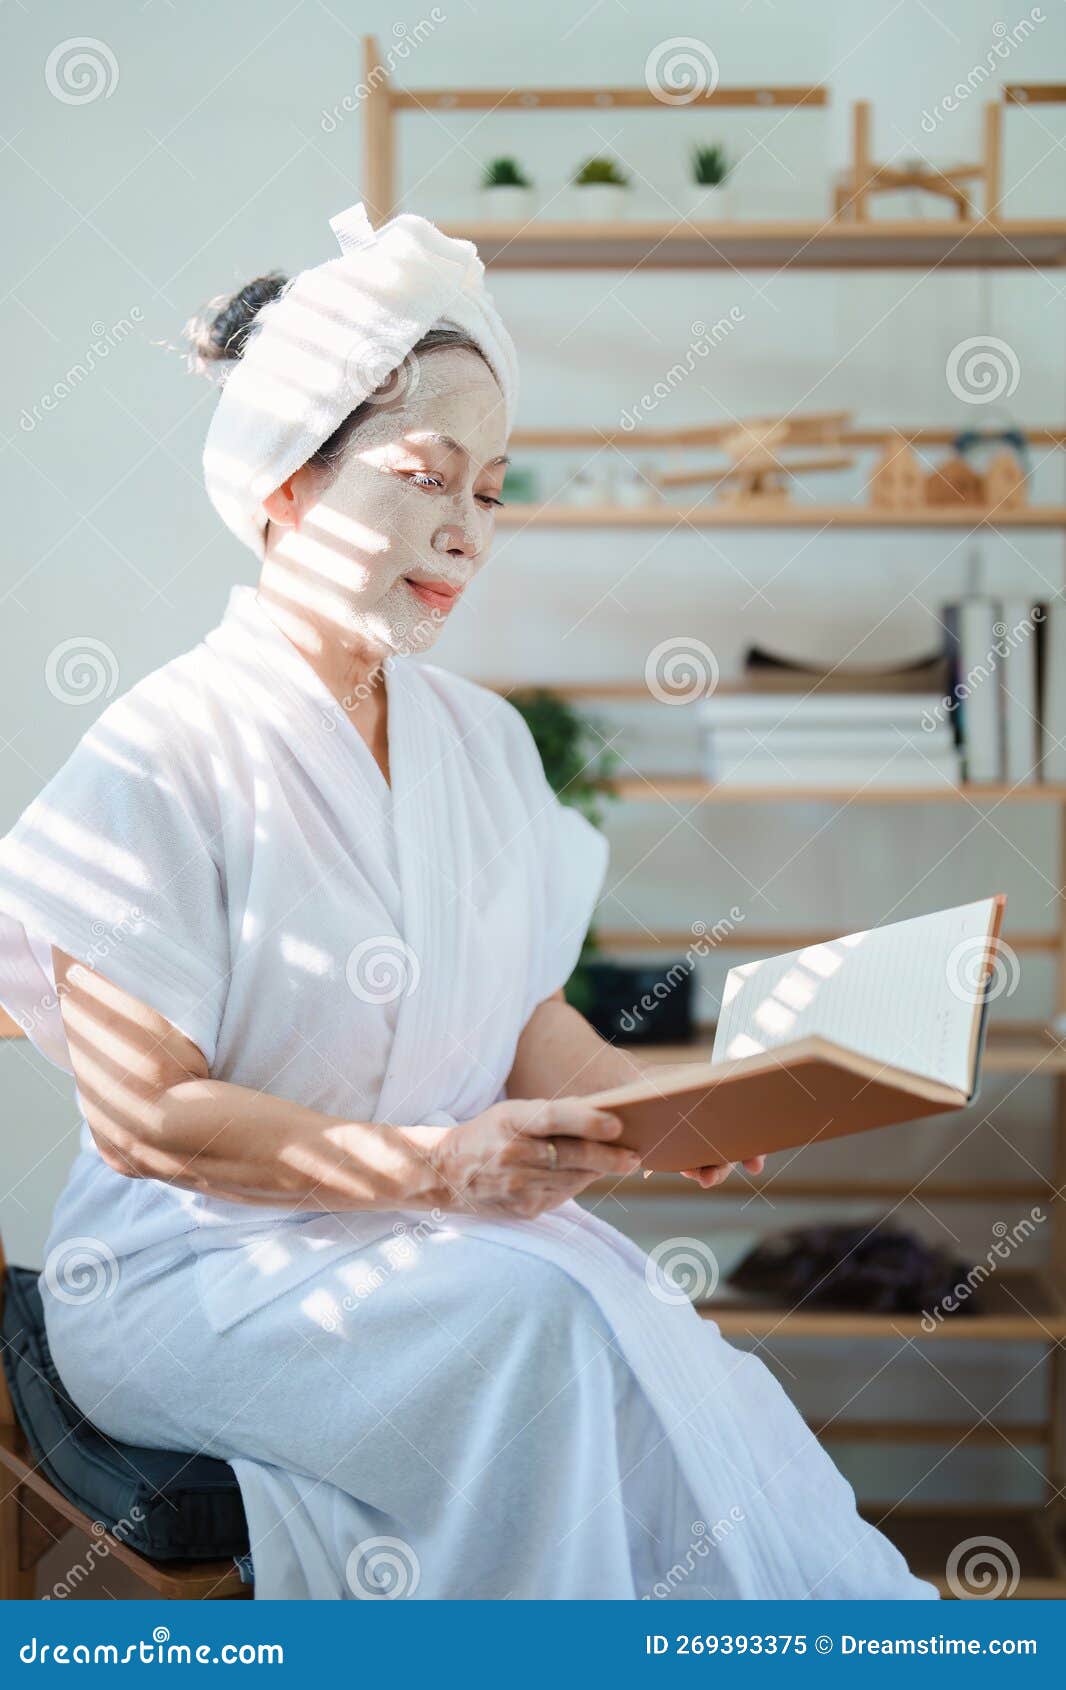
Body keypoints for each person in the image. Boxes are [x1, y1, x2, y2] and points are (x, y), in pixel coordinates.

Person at [0, 204, 937, 1601]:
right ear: (284, 487)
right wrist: (436, 1166)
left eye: (492, 491)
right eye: (428, 476)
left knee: (655, 1340)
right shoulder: (159, 751)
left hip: (432, 1237)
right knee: (549, 1322)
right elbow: (150, 1116)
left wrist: (654, 1114)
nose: (464, 531)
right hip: (187, 1272)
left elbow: (520, 1010)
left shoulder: (482, 745)